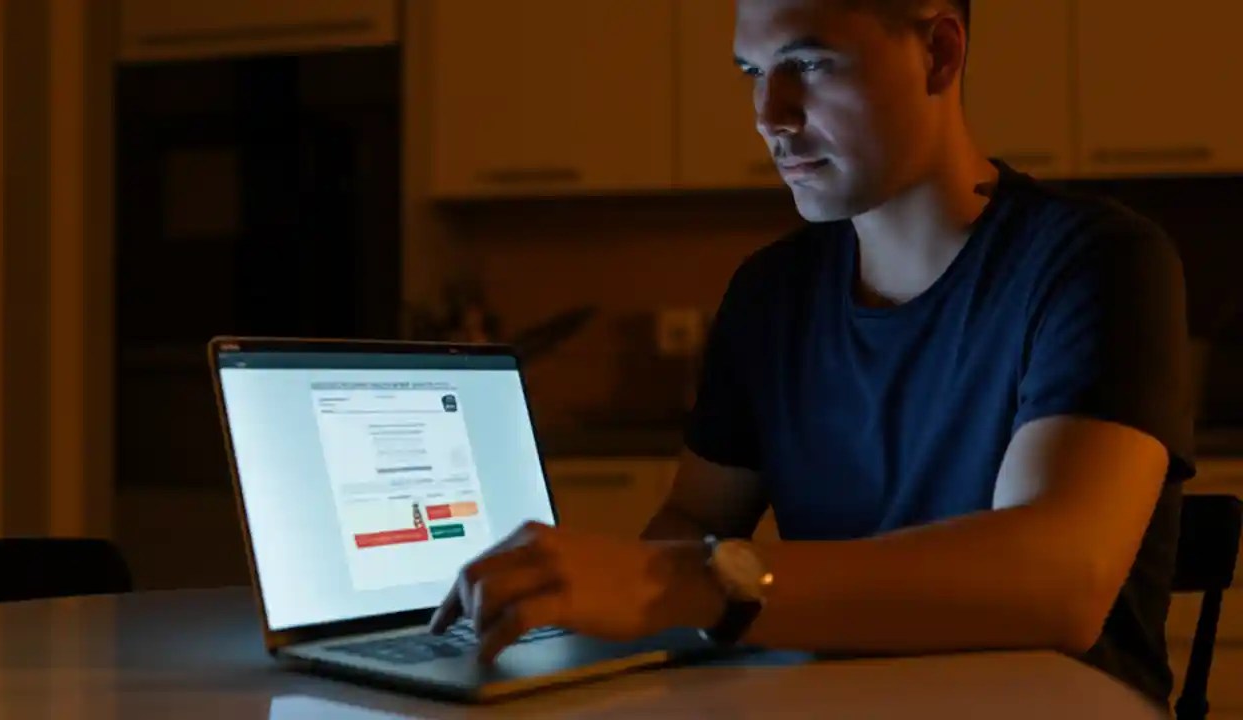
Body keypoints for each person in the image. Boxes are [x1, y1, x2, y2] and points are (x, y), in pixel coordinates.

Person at [430, 0, 1194, 705]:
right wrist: (577, 629)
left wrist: (672, 582)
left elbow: (1056, 582)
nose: (771, 115)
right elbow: (694, 513)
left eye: (811, 64)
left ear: (938, 52)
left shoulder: (1095, 262)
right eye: (754, 73)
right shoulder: (771, 295)